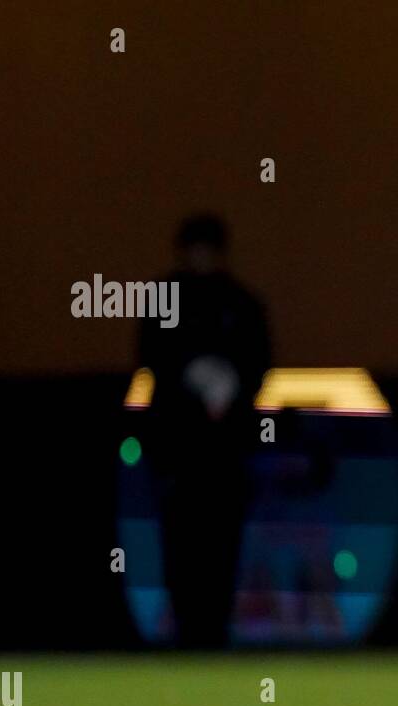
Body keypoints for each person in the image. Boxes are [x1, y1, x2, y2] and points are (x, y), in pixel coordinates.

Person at [138, 214, 271, 649]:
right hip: (177, 448)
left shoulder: (243, 303)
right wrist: (191, 377)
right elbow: (148, 354)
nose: (199, 257)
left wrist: (230, 386)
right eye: (193, 248)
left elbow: (259, 361)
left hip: (225, 451)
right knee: (179, 540)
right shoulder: (161, 297)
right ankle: (185, 631)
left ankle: (216, 632)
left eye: (206, 248)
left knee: (222, 540)